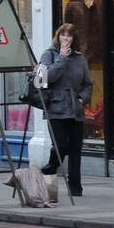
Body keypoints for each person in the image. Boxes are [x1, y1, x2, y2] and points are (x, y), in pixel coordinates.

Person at [38, 22, 92, 197]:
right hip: (56, 107)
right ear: (58, 36)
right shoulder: (48, 55)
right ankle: (51, 166)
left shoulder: (80, 58)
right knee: (60, 144)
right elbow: (46, 79)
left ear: (74, 39)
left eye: (69, 35)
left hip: (75, 108)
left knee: (76, 148)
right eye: (63, 35)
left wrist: (82, 98)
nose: (66, 38)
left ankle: (75, 187)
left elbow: (87, 84)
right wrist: (61, 58)